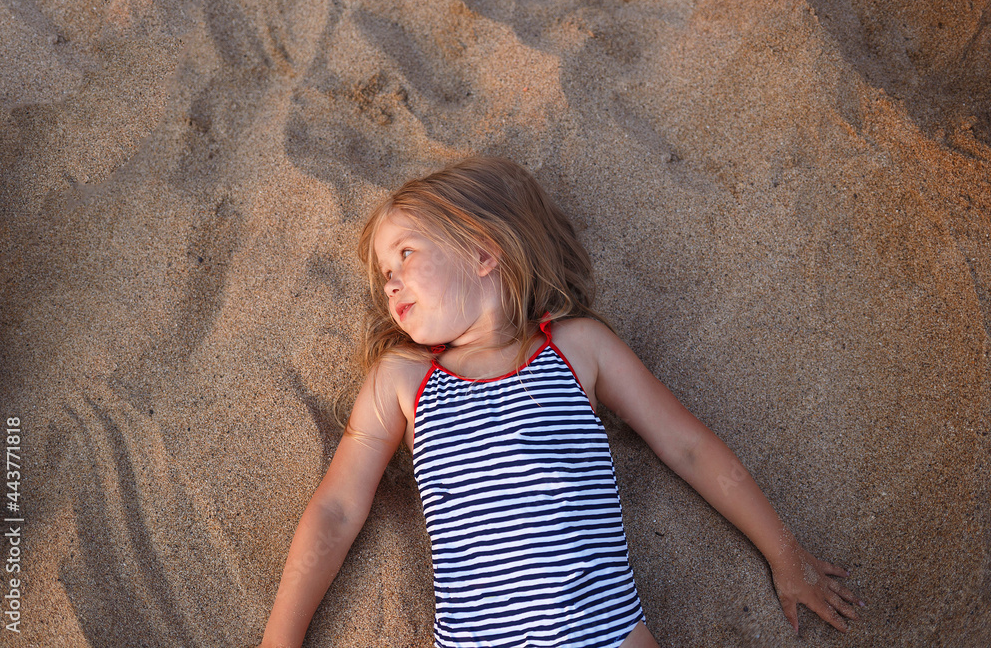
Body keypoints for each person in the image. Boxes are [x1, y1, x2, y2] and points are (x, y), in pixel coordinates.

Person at [258, 157, 864, 648]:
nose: (389, 281)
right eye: (383, 272)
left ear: (483, 251)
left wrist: (784, 553)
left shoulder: (578, 348)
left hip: (607, 633)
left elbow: (687, 446)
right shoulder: (401, 379)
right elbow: (337, 509)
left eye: (406, 254)